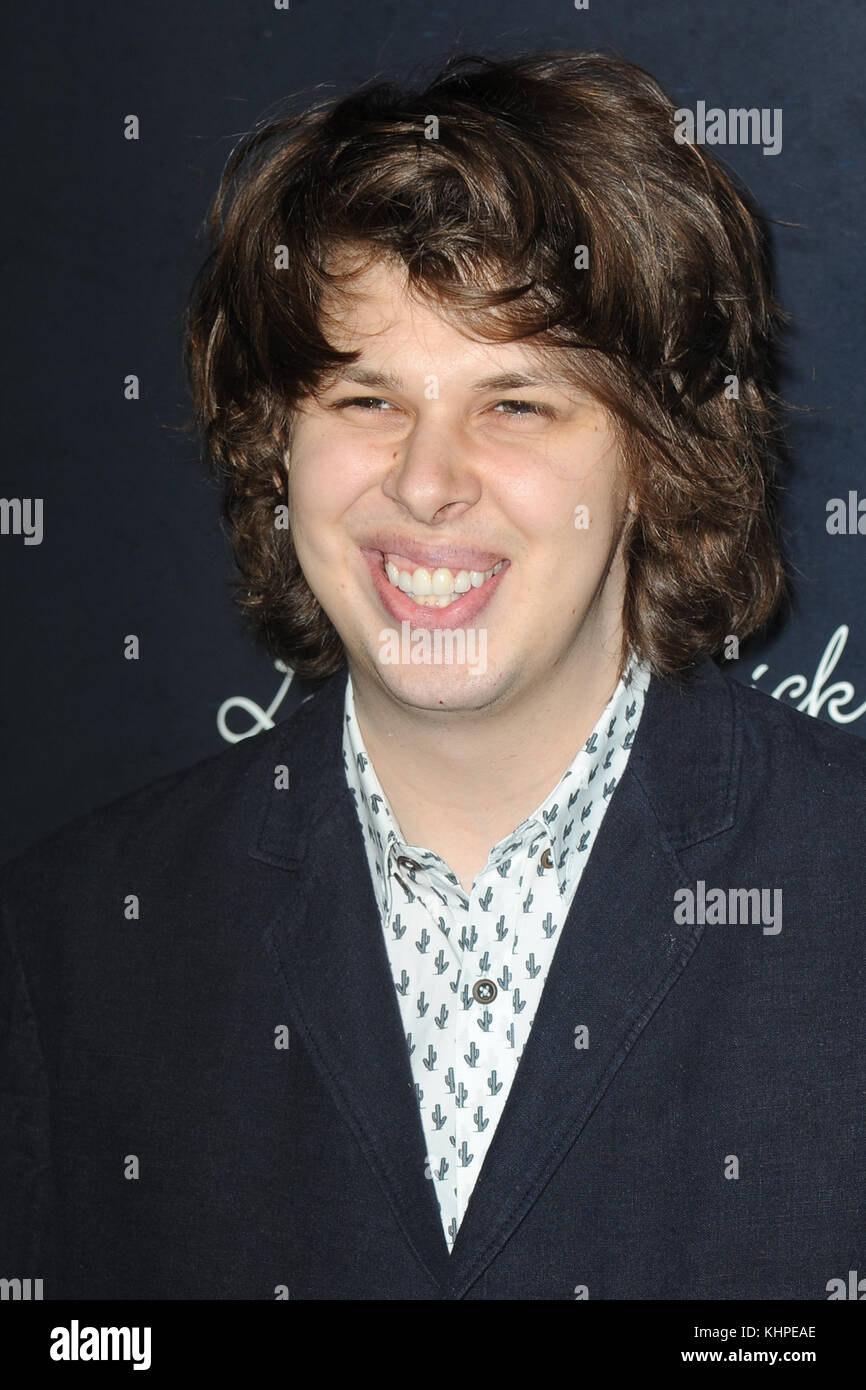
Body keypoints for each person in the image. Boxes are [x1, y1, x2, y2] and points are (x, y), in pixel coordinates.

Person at [1, 50, 864, 1301]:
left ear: (657, 463)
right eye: (365, 398)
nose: (423, 481)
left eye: (515, 403)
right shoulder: (72, 949)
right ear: (274, 453)